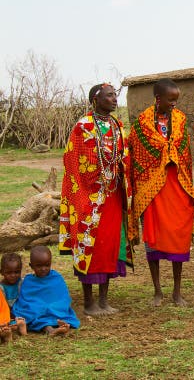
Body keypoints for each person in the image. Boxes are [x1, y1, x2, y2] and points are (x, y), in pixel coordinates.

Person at [60, 83, 132, 315]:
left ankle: (104, 300)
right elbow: (72, 161)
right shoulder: (83, 127)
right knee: (89, 246)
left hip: (112, 196)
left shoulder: (117, 126)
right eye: (109, 96)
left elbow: (124, 156)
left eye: (115, 95)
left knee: (109, 246)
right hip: (89, 197)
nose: (114, 99)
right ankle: (89, 303)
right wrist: (82, 193)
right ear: (95, 100)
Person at [129, 78, 194, 307]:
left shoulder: (180, 120)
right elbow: (138, 156)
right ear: (158, 99)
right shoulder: (142, 124)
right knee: (154, 239)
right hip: (152, 189)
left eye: (176, 100)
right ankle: (158, 290)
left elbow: (185, 155)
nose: (174, 105)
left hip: (177, 185)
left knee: (179, 237)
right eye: (171, 100)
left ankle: (177, 291)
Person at [11, 246, 80, 336]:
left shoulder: (56, 277)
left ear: (50, 263)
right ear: (31, 266)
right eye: (39, 266)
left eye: (47, 265)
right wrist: (40, 307)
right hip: (36, 311)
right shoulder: (28, 281)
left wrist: (51, 307)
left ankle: (59, 326)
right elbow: (25, 300)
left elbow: (63, 298)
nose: (43, 269)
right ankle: (50, 329)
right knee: (34, 313)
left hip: (55, 309)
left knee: (54, 312)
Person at [1, 252, 27, 342]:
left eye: (17, 272)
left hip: (20, 312)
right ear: (2, 272)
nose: (13, 275)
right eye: (9, 272)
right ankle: (14, 327)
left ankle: (19, 326)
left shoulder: (22, 282)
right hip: (8, 314)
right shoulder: (1, 288)